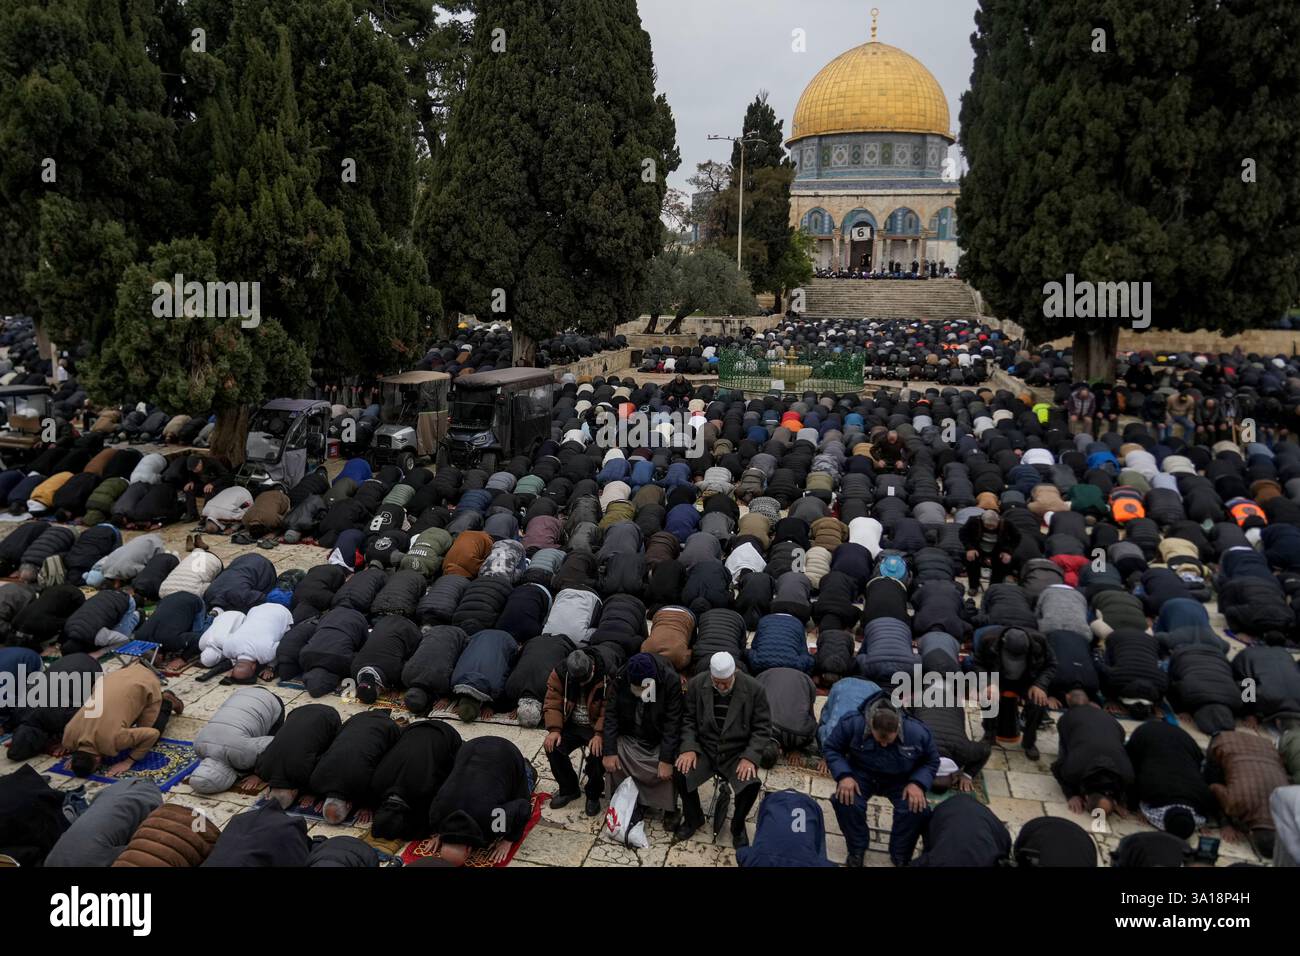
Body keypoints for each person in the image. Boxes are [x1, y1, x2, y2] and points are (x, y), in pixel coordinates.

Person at [823, 691, 940, 867]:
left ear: (898, 728)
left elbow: (931, 761)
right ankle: (856, 850)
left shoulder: (917, 732)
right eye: (880, 740)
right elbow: (832, 748)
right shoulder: (853, 723)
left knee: (916, 808)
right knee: (846, 800)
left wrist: (918, 783)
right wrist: (844, 775)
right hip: (861, 774)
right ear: (871, 725)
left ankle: (900, 855)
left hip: (900, 779)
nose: (884, 745)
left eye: (889, 741)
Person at [673, 651, 772, 849]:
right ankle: (694, 818)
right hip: (706, 749)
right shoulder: (696, 684)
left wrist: (750, 757)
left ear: (734, 673)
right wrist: (689, 748)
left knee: (750, 783)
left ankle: (737, 826)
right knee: (681, 772)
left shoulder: (755, 689)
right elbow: (688, 720)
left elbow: (762, 728)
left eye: (725, 682)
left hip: (736, 752)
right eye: (716, 682)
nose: (721, 686)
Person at [61, 661, 184, 777]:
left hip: (143, 681)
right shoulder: (68, 736)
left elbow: (152, 734)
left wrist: (128, 762)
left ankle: (167, 701)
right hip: (114, 677)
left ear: (98, 759)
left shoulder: (116, 739)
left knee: (151, 732)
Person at [427, 736, 535, 866]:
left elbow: (522, 807)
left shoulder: (494, 824)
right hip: (469, 747)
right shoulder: (437, 817)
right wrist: (440, 833)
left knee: (522, 791)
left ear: (469, 850)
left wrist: (508, 840)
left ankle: (527, 769)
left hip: (504, 753)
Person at [602, 652, 683, 816]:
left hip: (657, 738)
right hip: (632, 735)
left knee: (666, 765)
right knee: (615, 755)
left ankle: (669, 810)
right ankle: (629, 801)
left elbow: (672, 723)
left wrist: (666, 759)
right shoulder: (621, 676)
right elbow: (611, 714)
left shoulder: (670, 680)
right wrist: (609, 752)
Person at [973, 625, 1055, 761]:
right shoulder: (988, 640)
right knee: (987, 694)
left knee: (1038, 702)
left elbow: (1051, 664)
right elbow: (977, 663)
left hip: (1027, 680)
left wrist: (1040, 685)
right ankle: (989, 733)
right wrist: (988, 683)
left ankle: (1029, 741)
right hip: (998, 677)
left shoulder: (1040, 642)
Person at [1051, 690, 1134, 820]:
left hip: (1110, 733)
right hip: (1106, 730)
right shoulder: (1073, 770)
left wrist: (1120, 800)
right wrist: (1071, 794)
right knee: (1067, 751)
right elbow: (1056, 767)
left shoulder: (1127, 775)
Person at [544, 648, 607, 817]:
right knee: (552, 747)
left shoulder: (606, 674)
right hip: (570, 725)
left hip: (595, 727)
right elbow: (552, 702)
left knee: (597, 753)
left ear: (591, 669)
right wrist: (554, 730)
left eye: (584, 680)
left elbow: (609, 709)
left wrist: (599, 734)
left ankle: (593, 794)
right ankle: (569, 788)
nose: (580, 685)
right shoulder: (560, 674)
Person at [1125, 721, 1215, 839]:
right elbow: (1132, 779)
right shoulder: (1150, 788)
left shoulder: (1203, 797)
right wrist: (1133, 807)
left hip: (1182, 739)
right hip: (1147, 734)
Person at [755, 666, 817, 766]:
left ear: (780, 751)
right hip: (768, 674)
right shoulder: (752, 725)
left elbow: (812, 729)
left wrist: (796, 748)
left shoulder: (798, 734)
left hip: (803, 680)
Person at [959, 509, 1025, 594]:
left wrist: (1008, 551)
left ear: (998, 521)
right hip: (977, 547)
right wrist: (969, 548)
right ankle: (973, 586)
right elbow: (962, 534)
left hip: (998, 548)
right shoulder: (973, 521)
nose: (990, 528)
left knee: (1002, 564)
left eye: (993, 526)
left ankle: (994, 587)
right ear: (982, 521)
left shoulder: (1006, 523)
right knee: (971, 560)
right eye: (987, 525)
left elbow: (1017, 537)